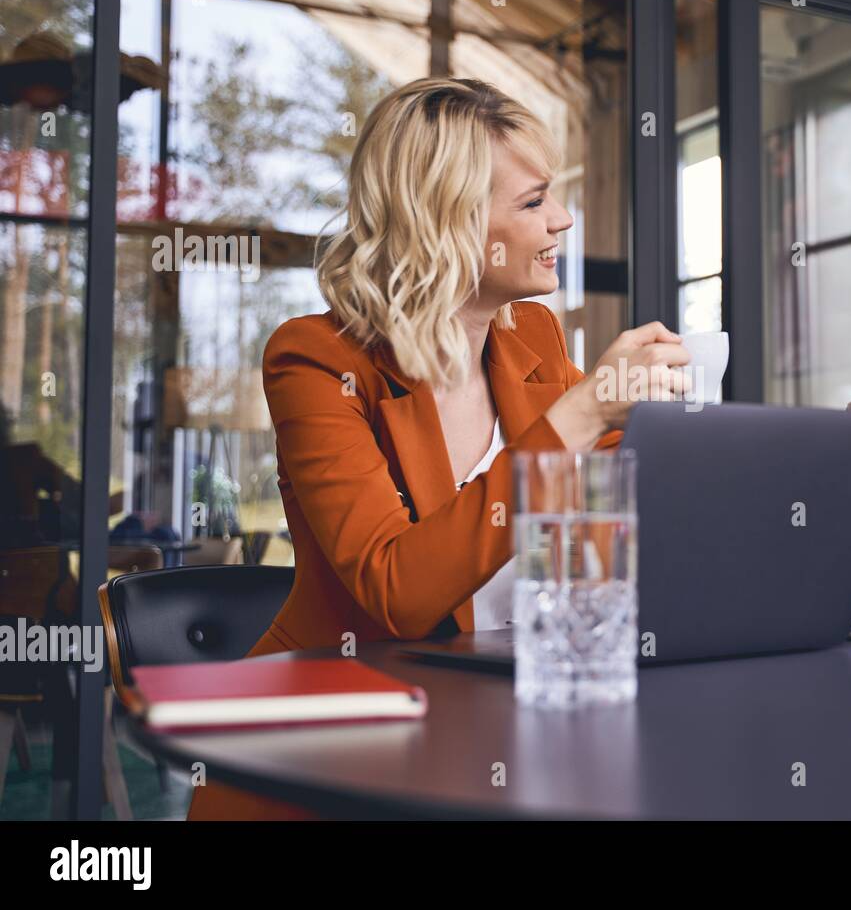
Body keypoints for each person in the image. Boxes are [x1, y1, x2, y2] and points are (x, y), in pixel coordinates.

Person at [188, 78, 689, 819]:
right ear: (447, 224)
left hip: (492, 733)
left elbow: (637, 484)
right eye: (532, 202)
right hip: (326, 755)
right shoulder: (317, 361)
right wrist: (580, 416)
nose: (564, 219)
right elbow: (398, 591)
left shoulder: (535, 340)